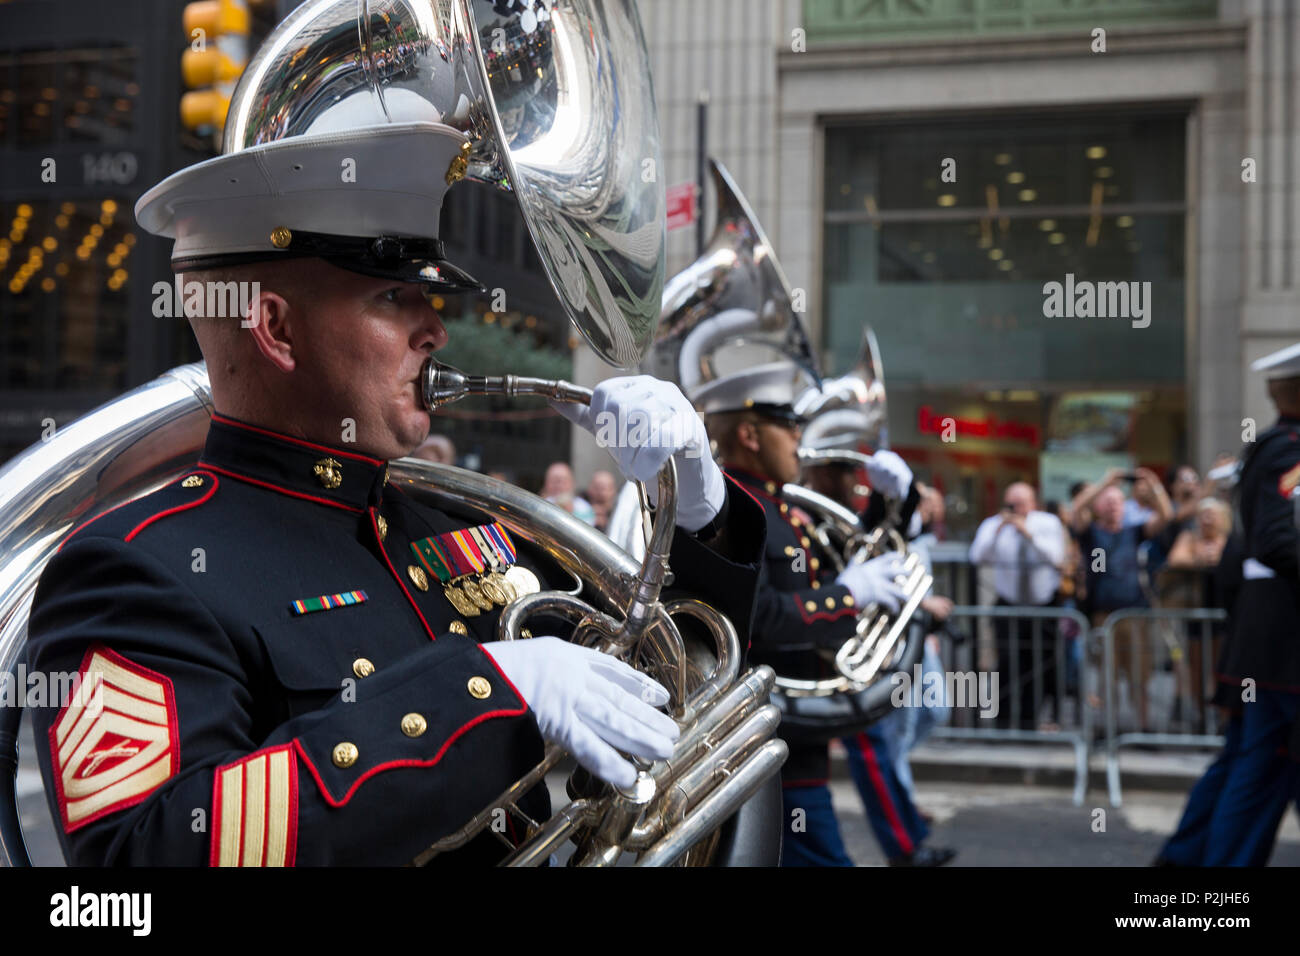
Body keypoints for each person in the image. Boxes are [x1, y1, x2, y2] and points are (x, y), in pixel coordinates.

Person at [24, 118, 767, 866]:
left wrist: (701, 512)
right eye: (393, 297)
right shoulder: (136, 568)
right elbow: (141, 859)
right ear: (276, 329)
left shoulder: (459, 527)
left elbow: (675, 687)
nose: (436, 329)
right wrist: (480, 693)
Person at [692, 361, 955, 867]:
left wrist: (891, 501)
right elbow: (759, 618)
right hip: (765, 733)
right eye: (788, 425)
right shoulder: (736, 509)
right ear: (749, 434)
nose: (799, 437)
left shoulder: (781, 508)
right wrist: (846, 596)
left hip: (793, 735)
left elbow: (851, 550)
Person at [1157, 341, 1300, 866]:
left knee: (1251, 763)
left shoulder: (1278, 446)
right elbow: (1280, 542)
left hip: (1269, 645)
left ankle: (1187, 862)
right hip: (1282, 645)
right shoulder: (1290, 450)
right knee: (1259, 770)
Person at [1069, 469, 1173, 732]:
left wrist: (1153, 485)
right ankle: (1108, 728)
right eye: (1109, 502)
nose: (1115, 507)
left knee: (1140, 674)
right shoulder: (1090, 533)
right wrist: (1104, 482)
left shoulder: (1134, 532)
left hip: (1135, 614)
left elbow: (1166, 516)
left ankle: (1143, 727)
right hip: (1103, 614)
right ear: (1099, 507)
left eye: (1118, 502)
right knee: (1108, 675)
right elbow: (1077, 508)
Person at [968, 482, 1067, 730]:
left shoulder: (1047, 523)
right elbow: (977, 556)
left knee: (1041, 664)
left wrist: (1028, 534)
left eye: (1020, 504)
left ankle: (1030, 720)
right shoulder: (993, 525)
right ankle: (1003, 721)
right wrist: (999, 530)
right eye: (1011, 504)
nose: (1015, 509)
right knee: (1009, 663)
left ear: (1033, 503)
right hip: (1009, 605)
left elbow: (1056, 558)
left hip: (1042, 606)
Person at [541, 462, 597, 526]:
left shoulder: (584, 509)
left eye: (564, 481)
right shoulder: (541, 506)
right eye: (554, 481)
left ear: (572, 483)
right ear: (546, 483)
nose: (559, 486)